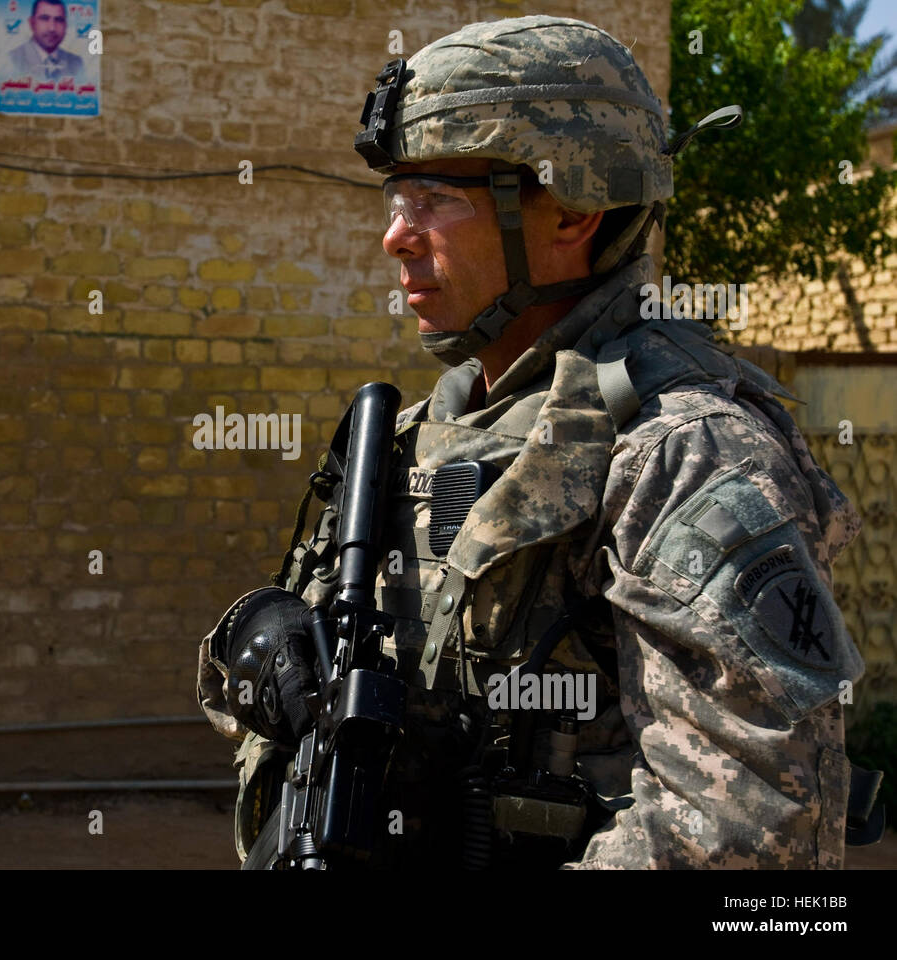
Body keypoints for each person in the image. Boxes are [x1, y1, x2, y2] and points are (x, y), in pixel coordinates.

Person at [196, 15, 872, 869]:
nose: (395, 236)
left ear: (569, 213)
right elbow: (254, 694)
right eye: (394, 198)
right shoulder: (412, 438)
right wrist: (259, 644)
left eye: (435, 198)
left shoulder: (682, 453)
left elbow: (753, 835)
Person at [7, 0, 84, 84]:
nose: (52, 28)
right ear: (32, 23)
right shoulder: (12, 59)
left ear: (66, 26)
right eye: (44, 18)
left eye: (59, 20)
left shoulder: (76, 63)